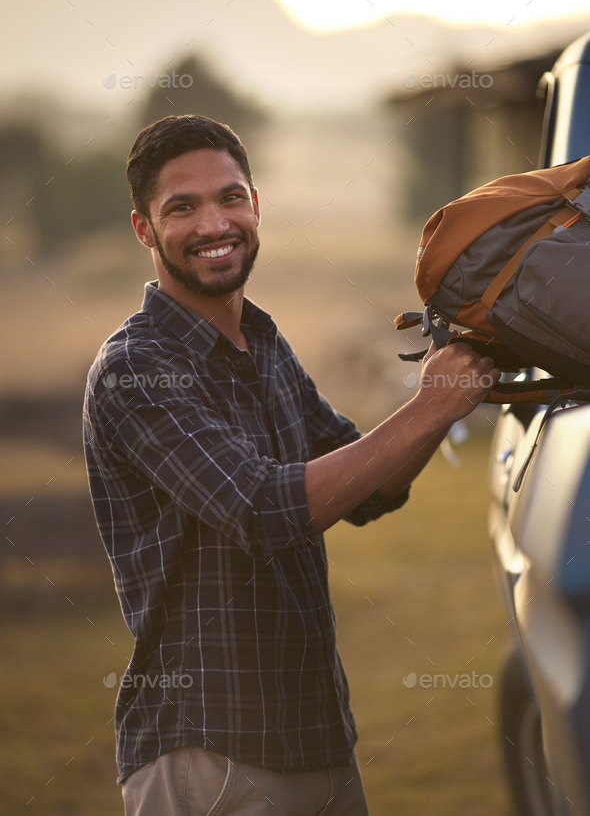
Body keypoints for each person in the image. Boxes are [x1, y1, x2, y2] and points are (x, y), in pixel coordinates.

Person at [83, 114, 500, 815]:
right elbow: (261, 508)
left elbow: (371, 486)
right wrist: (429, 407)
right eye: (182, 207)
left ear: (256, 205)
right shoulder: (137, 368)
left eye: (231, 197)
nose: (215, 221)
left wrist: (454, 388)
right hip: (208, 756)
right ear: (144, 230)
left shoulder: (263, 341)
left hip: (315, 739)